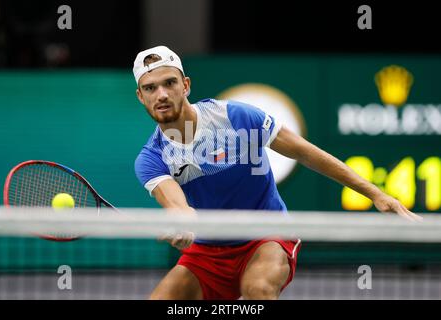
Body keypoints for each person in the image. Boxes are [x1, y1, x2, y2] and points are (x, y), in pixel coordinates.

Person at [133, 46, 421, 300]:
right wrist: (184, 225)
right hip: (209, 250)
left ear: (185, 85)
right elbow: (178, 206)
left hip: (266, 234)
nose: (161, 94)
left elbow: (307, 153)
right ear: (140, 96)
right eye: (150, 88)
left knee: (257, 289)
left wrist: (377, 194)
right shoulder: (151, 158)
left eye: (169, 83)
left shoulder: (236, 118)